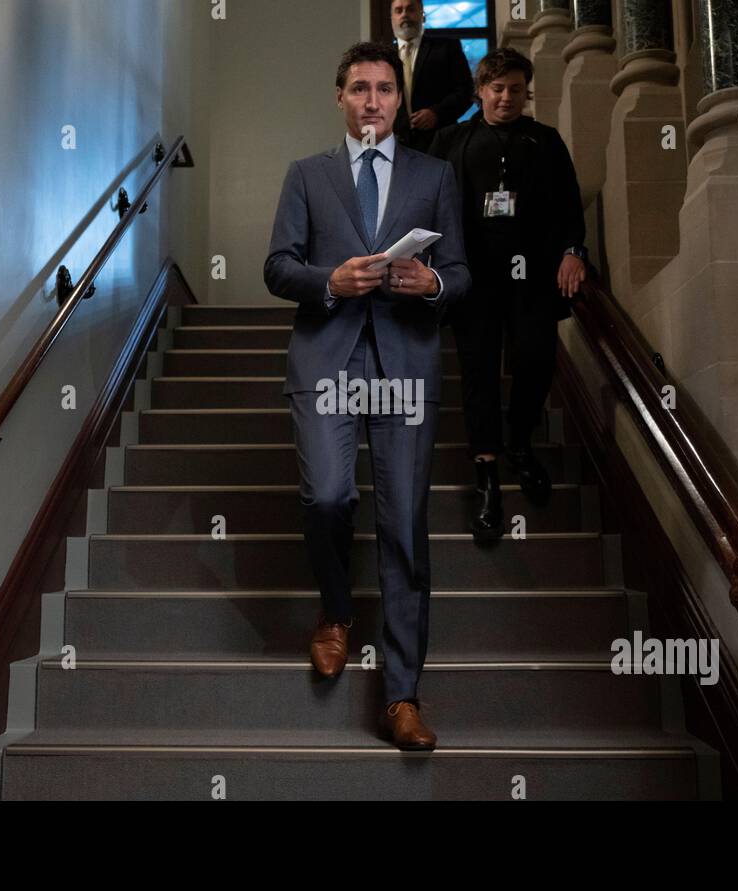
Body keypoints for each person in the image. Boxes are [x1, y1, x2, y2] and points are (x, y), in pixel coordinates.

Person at [263, 42, 470, 750]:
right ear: (340, 97)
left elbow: (463, 272)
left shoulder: (435, 173)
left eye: (385, 88)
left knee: (406, 523)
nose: (374, 99)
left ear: (395, 97)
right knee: (327, 495)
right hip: (327, 356)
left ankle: (403, 696)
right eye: (359, 88)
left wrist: (433, 284)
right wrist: (331, 280)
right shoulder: (306, 175)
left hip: (407, 361)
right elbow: (276, 266)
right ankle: (334, 610)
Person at [428, 47, 588, 545]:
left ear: (525, 92)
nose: (506, 97)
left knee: (537, 357)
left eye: (516, 89)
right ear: (480, 90)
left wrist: (573, 251)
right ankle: (488, 478)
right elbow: (426, 207)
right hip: (472, 278)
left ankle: (520, 442)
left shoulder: (545, 140)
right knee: (477, 374)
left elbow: (568, 203)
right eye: (497, 89)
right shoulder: (450, 140)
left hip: (533, 276)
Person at [389, 0, 475, 151]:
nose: (404, 15)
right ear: (392, 19)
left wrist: (437, 113)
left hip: (440, 143)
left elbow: (466, 91)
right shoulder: (382, 56)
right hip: (395, 146)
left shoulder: (447, 48)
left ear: (423, 16)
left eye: (410, 9)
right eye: (398, 11)